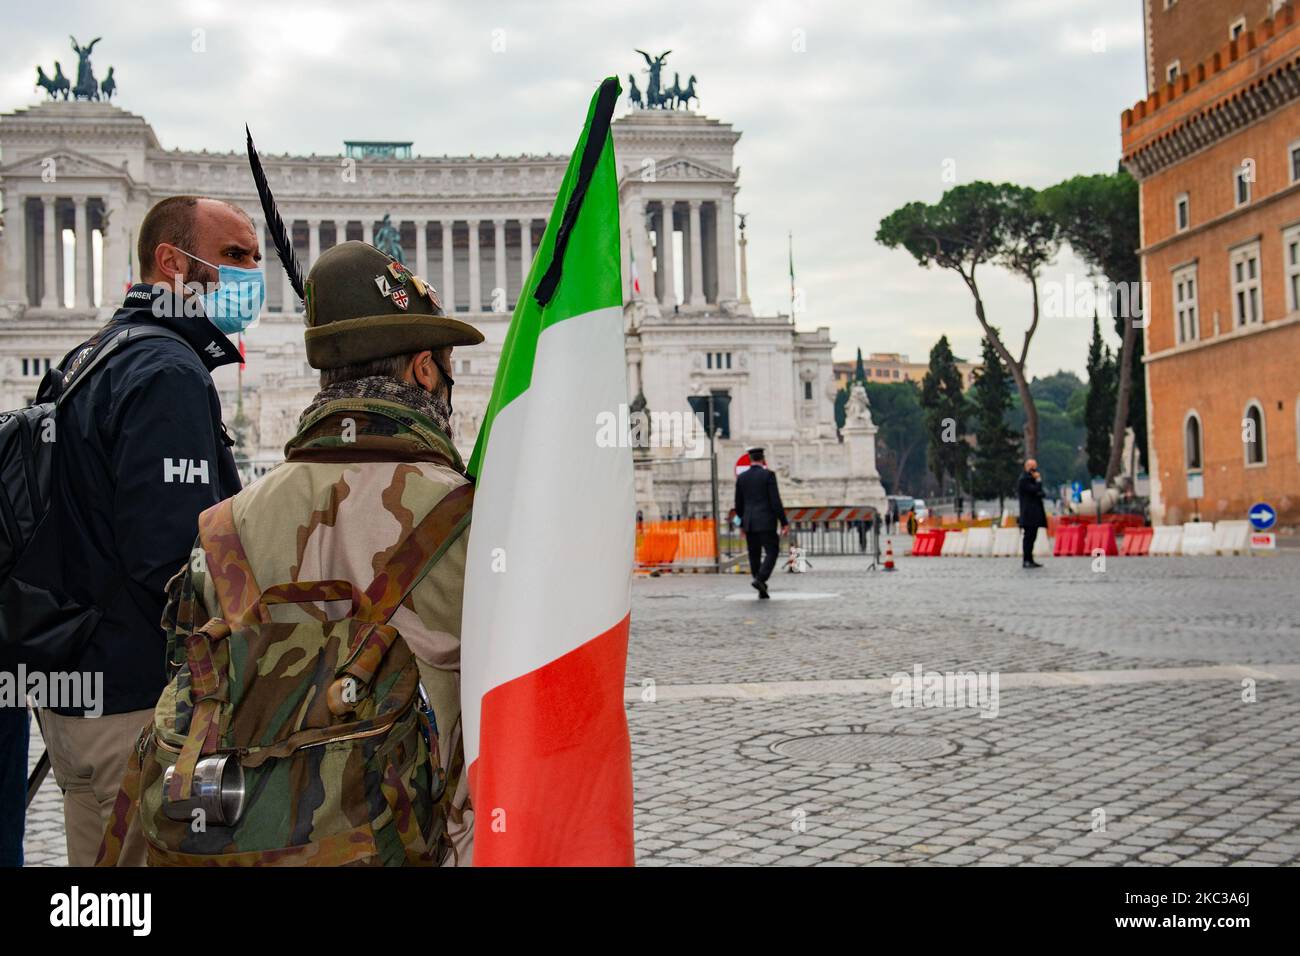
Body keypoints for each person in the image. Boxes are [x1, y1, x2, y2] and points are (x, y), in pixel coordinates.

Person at [159, 241, 483, 863]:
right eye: (446, 368)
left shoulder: (223, 524)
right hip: (417, 844)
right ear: (422, 371)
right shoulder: (469, 517)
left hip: (250, 843)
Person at [38, 196, 254, 866]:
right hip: (135, 702)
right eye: (234, 257)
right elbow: (172, 557)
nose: (250, 275)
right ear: (171, 262)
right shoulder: (166, 370)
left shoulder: (87, 358)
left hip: (71, 698)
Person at [734, 447, 788, 598]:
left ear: (750, 460)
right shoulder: (768, 475)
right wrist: (784, 522)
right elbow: (775, 501)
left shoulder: (742, 478)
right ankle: (760, 579)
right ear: (763, 459)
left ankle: (760, 587)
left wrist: (742, 524)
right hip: (766, 521)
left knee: (754, 554)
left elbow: (738, 504)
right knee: (772, 551)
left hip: (749, 522)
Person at [1017, 458, 1047, 568]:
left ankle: (1030, 559)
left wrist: (1037, 487)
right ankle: (1026, 560)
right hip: (1028, 514)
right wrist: (1038, 481)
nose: (1034, 471)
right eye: (1032, 468)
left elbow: (1041, 493)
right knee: (1028, 538)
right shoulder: (1024, 479)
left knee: (1033, 537)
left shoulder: (1031, 479)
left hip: (1034, 514)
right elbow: (1034, 490)